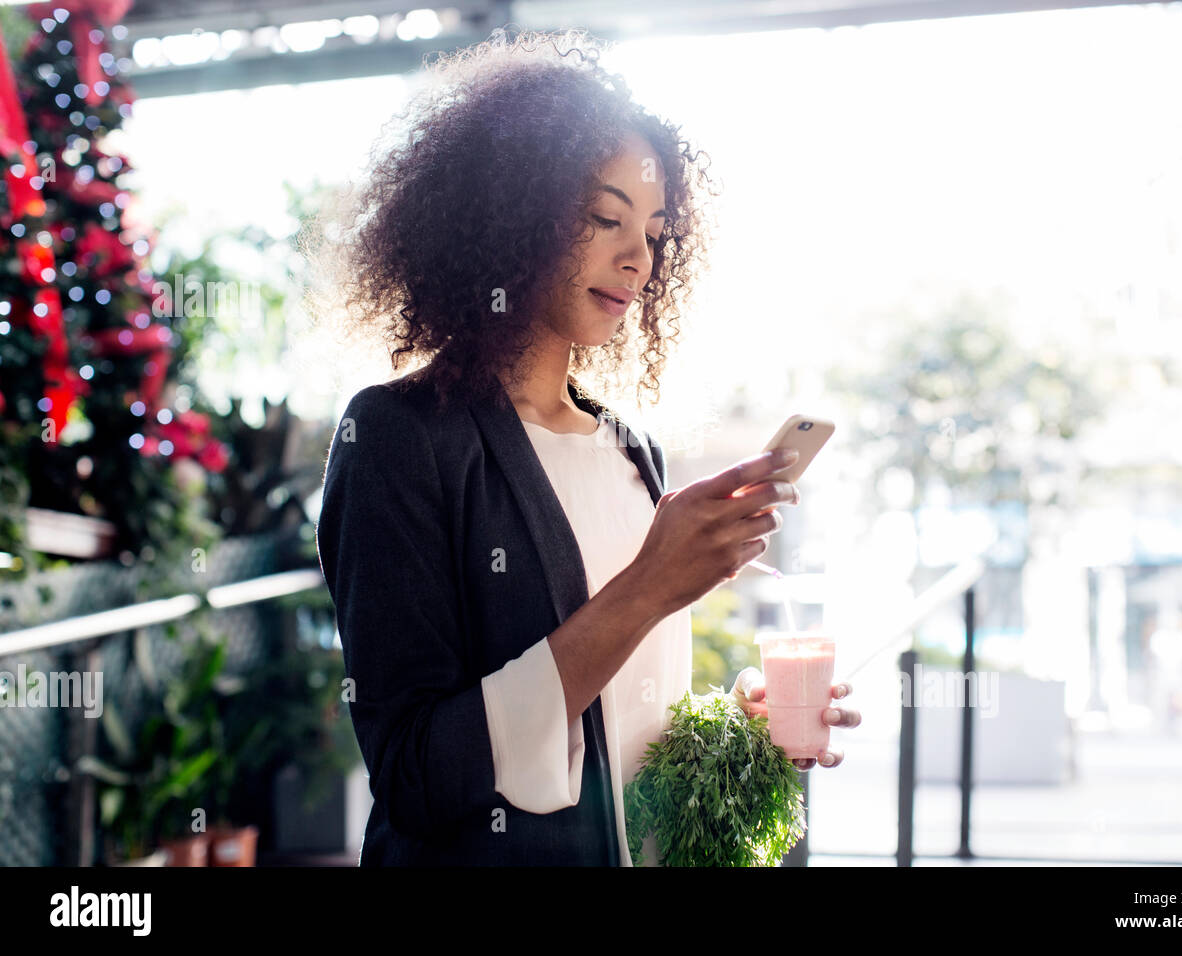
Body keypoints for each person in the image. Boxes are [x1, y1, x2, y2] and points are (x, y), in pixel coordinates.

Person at [310, 28, 859, 866]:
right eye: (604, 217)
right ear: (506, 215)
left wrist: (735, 728)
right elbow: (416, 772)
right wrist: (648, 587)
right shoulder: (397, 439)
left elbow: (619, 724)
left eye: (655, 231)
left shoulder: (631, 452)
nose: (637, 257)